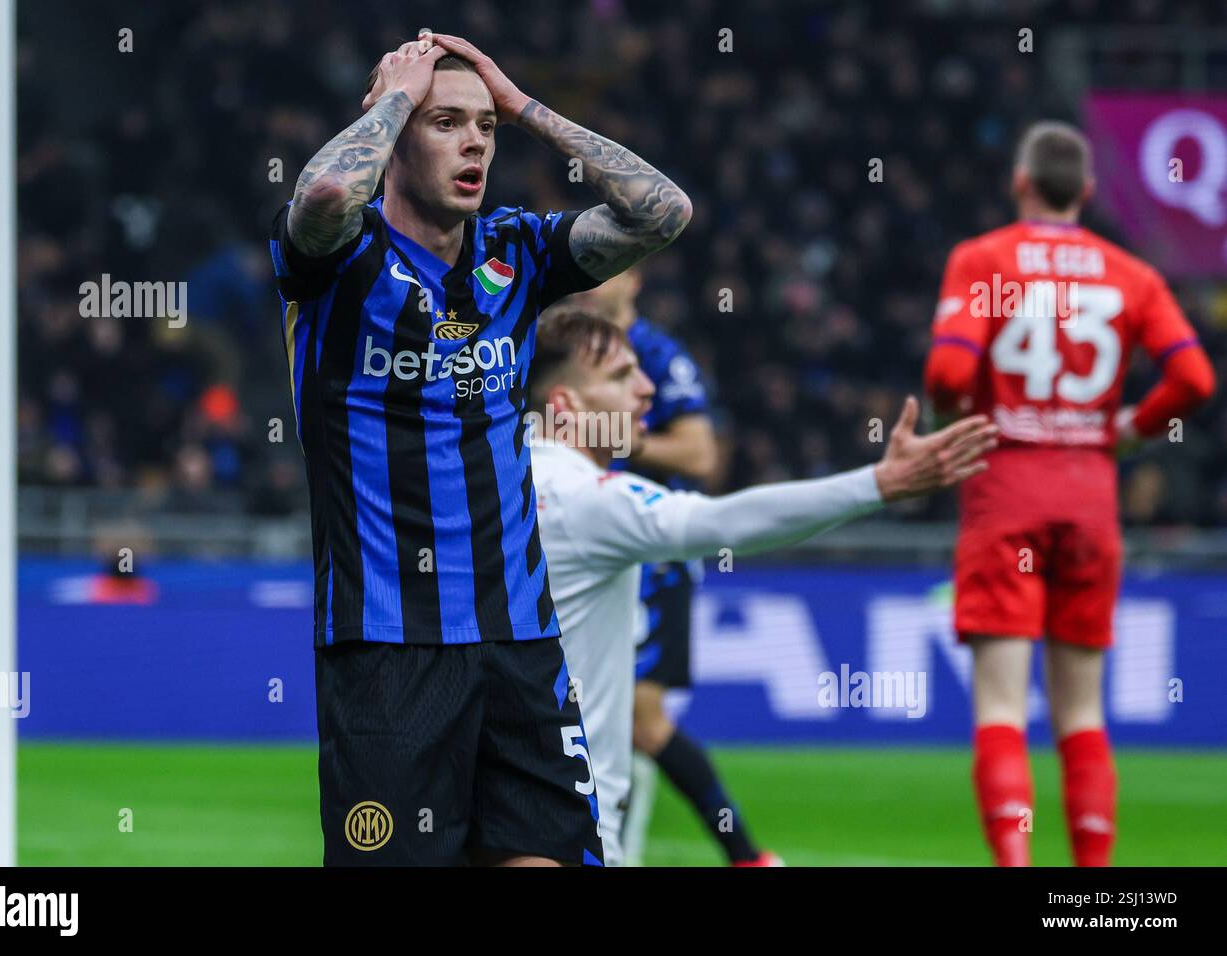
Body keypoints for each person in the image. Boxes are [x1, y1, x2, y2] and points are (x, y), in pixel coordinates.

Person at [268, 31, 692, 865]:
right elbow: (321, 192)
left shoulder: (516, 251)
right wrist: (392, 99)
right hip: (387, 647)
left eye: (483, 128)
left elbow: (664, 212)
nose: (474, 142)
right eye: (444, 123)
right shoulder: (339, 262)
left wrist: (522, 104)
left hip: (520, 643)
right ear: (392, 138)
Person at [529, 308, 999, 864]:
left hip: (520, 802)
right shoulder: (586, 498)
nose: (647, 389)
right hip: (567, 816)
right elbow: (724, 522)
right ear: (565, 406)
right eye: (619, 377)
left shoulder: (500, 478)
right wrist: (878, 483)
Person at [923, 120, 1216, 867]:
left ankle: (1018, 867)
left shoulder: (983, 259)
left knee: (1000, 708)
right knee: (1083, 712)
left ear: (1020, 183)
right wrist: (1131, 432)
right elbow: (1195, 380)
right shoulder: (1132, 274)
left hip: (1006, 488)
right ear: (1086, 192)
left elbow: (950, 378)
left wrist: (956, 434)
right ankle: (1090, 886)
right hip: (1090, 493)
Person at [569, 271, 779, 866]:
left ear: (632, 279)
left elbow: (700, 453)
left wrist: (612, 434)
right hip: (581, 545)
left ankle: (746, 854)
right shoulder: (556, 344)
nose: (588, 279)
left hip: (650, 556)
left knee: (643, 719)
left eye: (605, 267)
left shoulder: (658, 356)